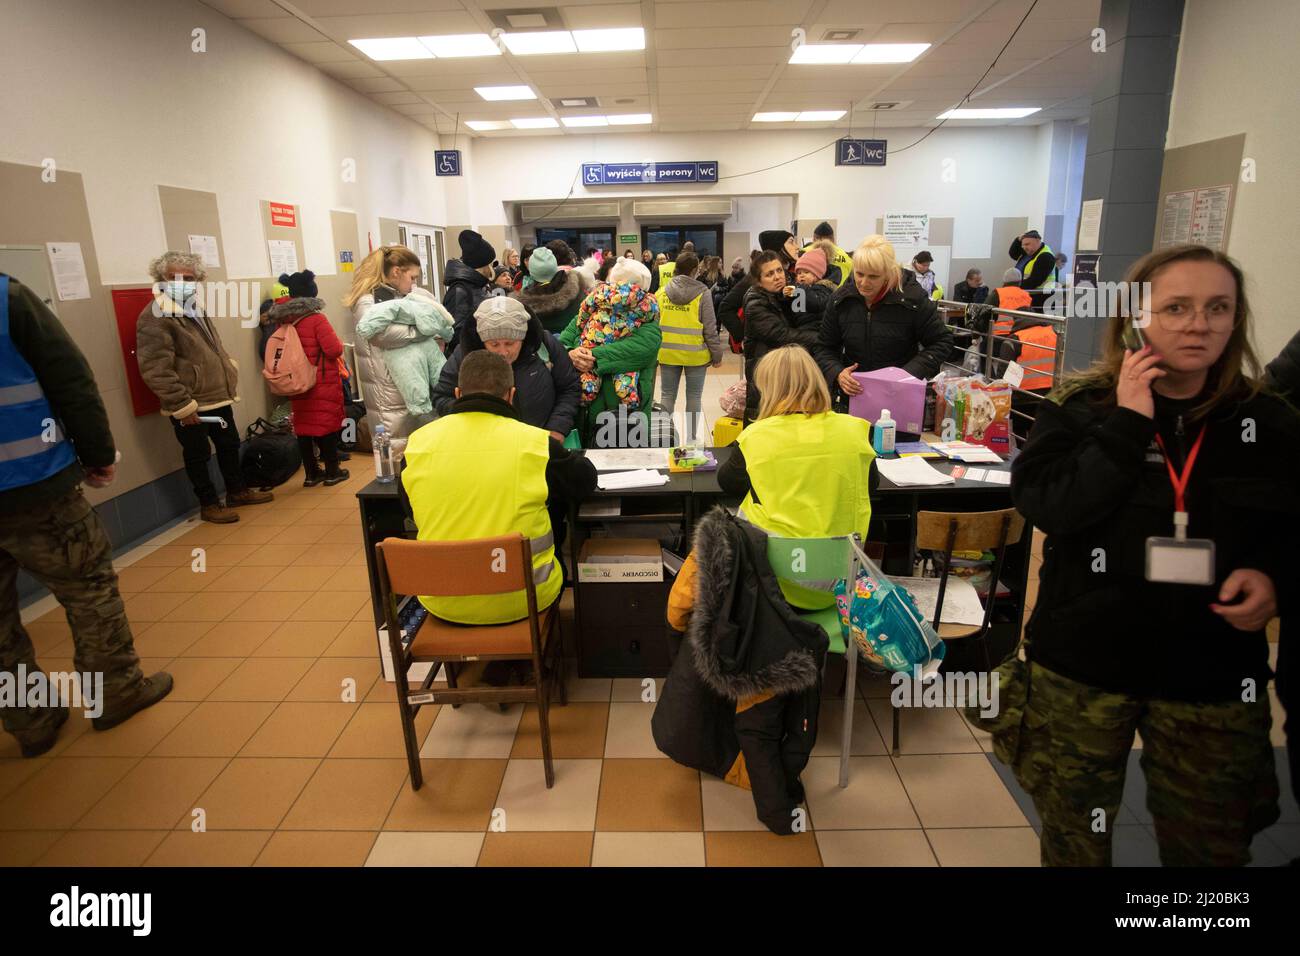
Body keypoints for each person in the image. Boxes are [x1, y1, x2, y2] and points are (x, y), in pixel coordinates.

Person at [1007, 243, 1297, 867]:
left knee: (1210, 849)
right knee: (1074, 838)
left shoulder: (1266, 423)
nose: (1199, 324)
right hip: (1083, 670)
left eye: (1217, 307)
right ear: (1137, 316)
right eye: (1177, 307)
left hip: (1210, 675)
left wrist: (1277, 580)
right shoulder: (1081, 409)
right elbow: (1048, 507)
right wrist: (1127, 425)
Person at [1, 275, 174, 756]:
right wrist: (97, 453)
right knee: (88, 590)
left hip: (29, 486)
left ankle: (30, 720)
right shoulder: (8, 298)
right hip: (34, 488)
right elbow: (70, 379)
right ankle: (115, 694)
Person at [400, 351, 596, 626]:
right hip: (523, 599)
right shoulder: (537, 445)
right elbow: (584, 483)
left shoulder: (418, 444)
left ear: (457, 393)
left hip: (444, 600)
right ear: (511, 395)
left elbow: (409, 507)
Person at [718, 346, 878, 609]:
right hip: (843, 579)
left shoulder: (756, 436)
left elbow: (728, 483)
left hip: (776, 581)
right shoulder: (854, 430)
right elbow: (870, 485)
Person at [136, 251, 273, 523]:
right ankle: (209, 504)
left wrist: (227, 369)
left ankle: (237, 491)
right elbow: (155, 368)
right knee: (197, 454)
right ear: (160, 279)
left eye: (188, 278)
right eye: (174, 277)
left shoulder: (193, 306)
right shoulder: (155, 316)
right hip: (191, 402)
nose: (182, 282)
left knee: (228, 445)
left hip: (216, 396)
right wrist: (181, 405)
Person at [815, 235, 954, 406]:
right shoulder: (840, 300)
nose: (864, 283)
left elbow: (942, 341)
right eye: (859, 274)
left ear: (888, 274)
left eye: (873, 277)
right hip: (855, 397)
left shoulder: (913, 300)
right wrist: (837, 373)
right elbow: (824, 347)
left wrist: (908, 374)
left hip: (901, 399)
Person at [432, 296, 580, 441]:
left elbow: (569, 387)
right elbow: (442, 397)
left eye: (510, 343)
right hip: (486, 447)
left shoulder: (544, 346)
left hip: (541, 443)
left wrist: (556, 428)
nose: (503, 352)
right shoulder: (465, 355)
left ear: (522, 338)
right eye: (494, 344)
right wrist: (474, 413)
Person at [559, 258, 662, 447]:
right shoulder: (589, 311)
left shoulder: (647, 319)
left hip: (625, 417)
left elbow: (641, 349)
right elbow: (564, 340)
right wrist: (570, 353)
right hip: (585, 409)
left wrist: (592, 356)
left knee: (627, 468)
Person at [346, 245, 441, 439]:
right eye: (412, 277)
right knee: (395, 454)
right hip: (388, 394)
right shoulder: (368, 302)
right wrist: (424, 329)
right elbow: (382, 335)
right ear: (397, 272)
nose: (414, 284)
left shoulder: (397, 297)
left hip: (403, 389)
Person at [271, 271, 349, 487]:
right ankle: (333, 471)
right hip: (321, 380)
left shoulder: (284, 321)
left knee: (304, 427)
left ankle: (311, 474)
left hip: (297, 381)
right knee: (326, 425)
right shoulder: (316, 319)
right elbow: (333, 349)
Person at [740, 251, 822, 425]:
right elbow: (782, 336)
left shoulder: (784, 295)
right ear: (758, 281)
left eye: (779, 271)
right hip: (765, 377)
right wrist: (819, 338)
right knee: (763, 428)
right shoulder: (756, 304)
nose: (777, 277)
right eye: (769, 274)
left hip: (782, 374)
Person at [656, 251, 724, 441]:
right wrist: (717, 355)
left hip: (667, 353)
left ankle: (664, 437)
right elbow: (710, 329)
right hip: (695, 355)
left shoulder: (661, 292)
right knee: (694, 397)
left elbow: (653, 326)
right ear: (695, 270)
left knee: (667, 395)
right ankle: (692, 439)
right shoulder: (703, 293)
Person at [718, 231, 800, 357]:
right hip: (765, 354)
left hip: (788, 350)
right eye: (791, 242)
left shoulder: (789, 275)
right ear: (779, 246)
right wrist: (743, 337)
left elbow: (797, 309)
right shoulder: (754, 279)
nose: (797, 246)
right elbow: (725, 307)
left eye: (779, 271)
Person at [994, 313, 1059, 441]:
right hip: (1050, 396)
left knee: (1020, 434)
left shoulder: (1015, 339)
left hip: (1022, 399)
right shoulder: (1055, 335)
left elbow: (1003, 376)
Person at [515, 246, 587, 336]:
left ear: (531, 270)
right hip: (576, 345)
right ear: (555, 265)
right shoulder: (580, 292)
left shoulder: (523, 307)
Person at [443, 229, 495, 351]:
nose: (491, 268)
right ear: (482, 265)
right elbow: (455, 334)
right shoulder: (460, 290)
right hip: (468, 356)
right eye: (490, 264)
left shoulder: (478, 285)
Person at [1007, 229, 1057, 305]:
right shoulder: (1029, 252)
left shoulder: (1046, 256)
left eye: (1027, 244)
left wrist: (1014, 288)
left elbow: (1034, 281)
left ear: (1037, 241)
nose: (1024, 247)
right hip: (1027, 295)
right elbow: (1013, 254)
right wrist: (1017, 240)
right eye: (1022, 245)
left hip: (1040, 299)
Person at [799, 222, 853, 287]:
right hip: (841, 295)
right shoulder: (846, 257)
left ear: (814, 238)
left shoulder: (804, 253)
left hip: (814, 294)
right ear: (833, 239)